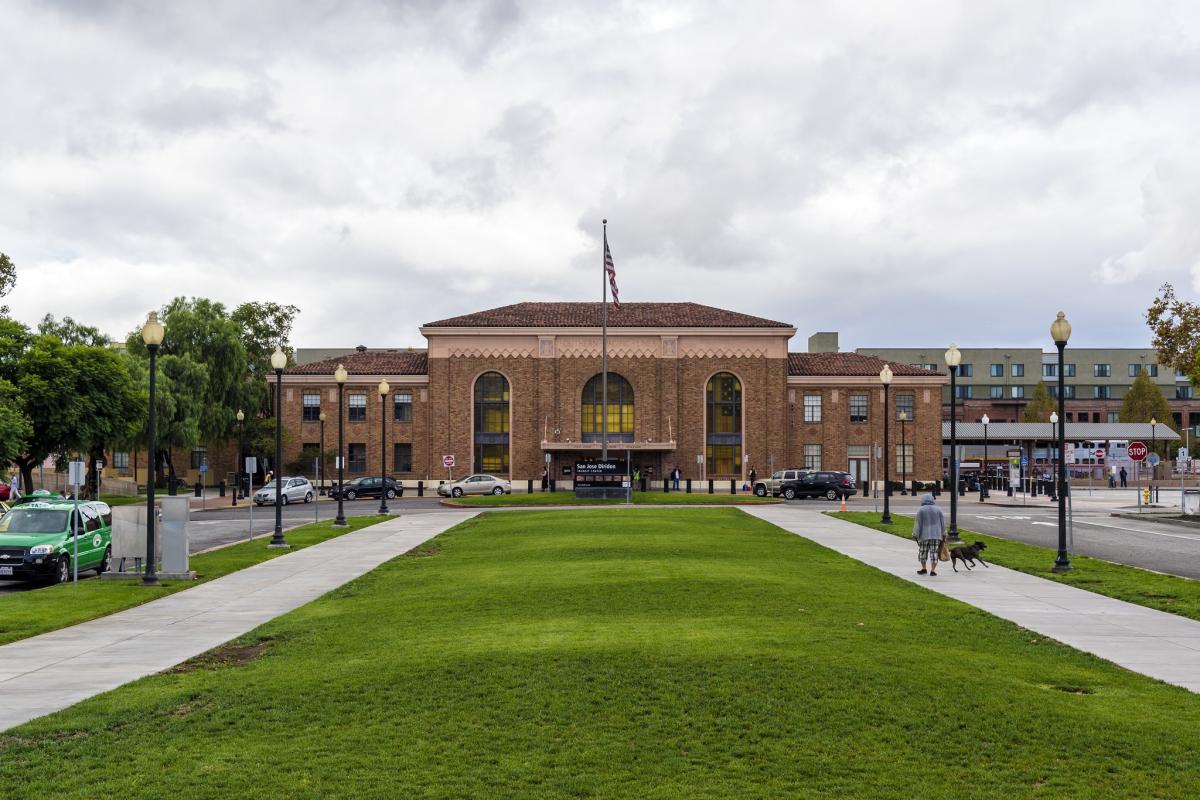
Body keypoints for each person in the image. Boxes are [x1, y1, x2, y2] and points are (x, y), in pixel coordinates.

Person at [912, 493, 946, 576]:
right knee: (934, 552)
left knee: (923, 552)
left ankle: (924, 568)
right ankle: (933, 570)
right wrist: (944, 533)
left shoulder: (921, 510)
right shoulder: (938, 509)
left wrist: (915, 534)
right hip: (936, 535)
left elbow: (917, 524)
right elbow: (943, 523)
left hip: (924, 535)